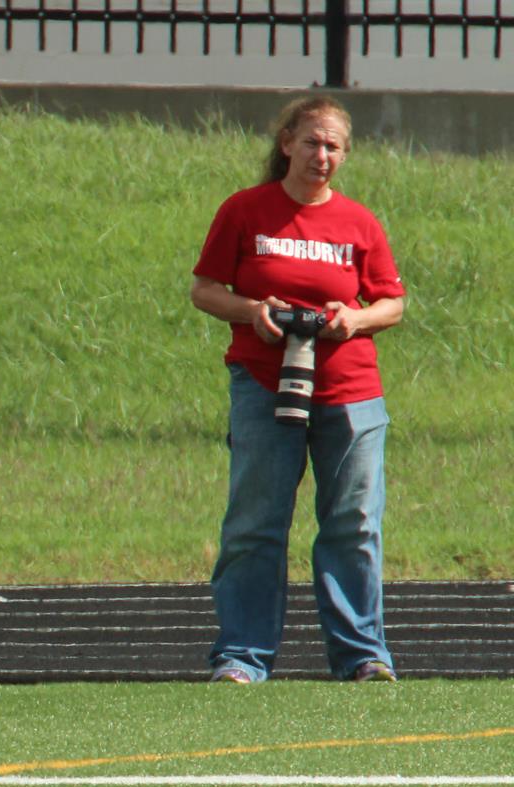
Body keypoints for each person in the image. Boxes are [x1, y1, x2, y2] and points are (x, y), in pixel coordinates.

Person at [189, 94, 407, 684]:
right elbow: (204, 289)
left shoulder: (359, 222)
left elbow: (392, 303)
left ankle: (362, 655)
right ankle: (242, 656)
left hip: (350, 388)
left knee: (353, 523)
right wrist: (254, 309)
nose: (322, 155)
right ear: (286, 142)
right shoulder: (245, 211)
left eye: (334, 145)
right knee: (255, 522)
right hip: (264, 385)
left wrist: (352, 319)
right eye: (311, 142)